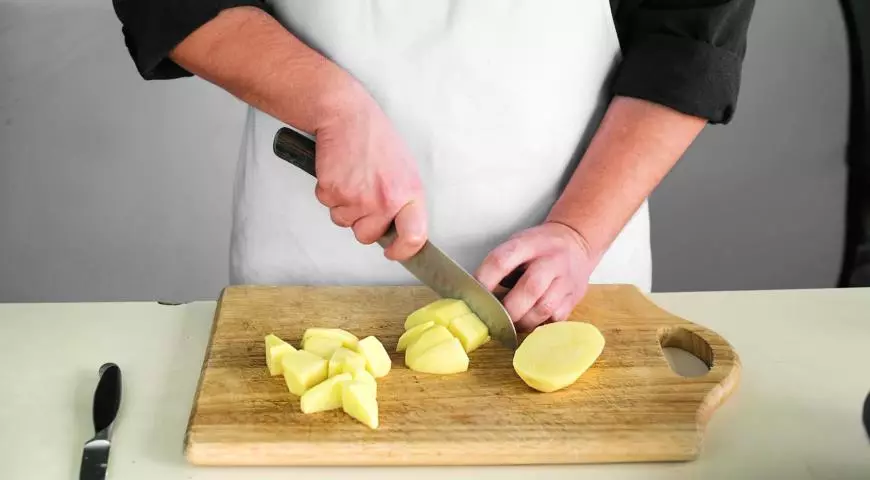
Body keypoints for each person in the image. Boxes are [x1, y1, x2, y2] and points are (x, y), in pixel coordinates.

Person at [112, 0, 754, 331]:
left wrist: (579, 232)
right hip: (311, 255)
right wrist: (332, 107)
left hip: (573, 271)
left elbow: (692, 32)